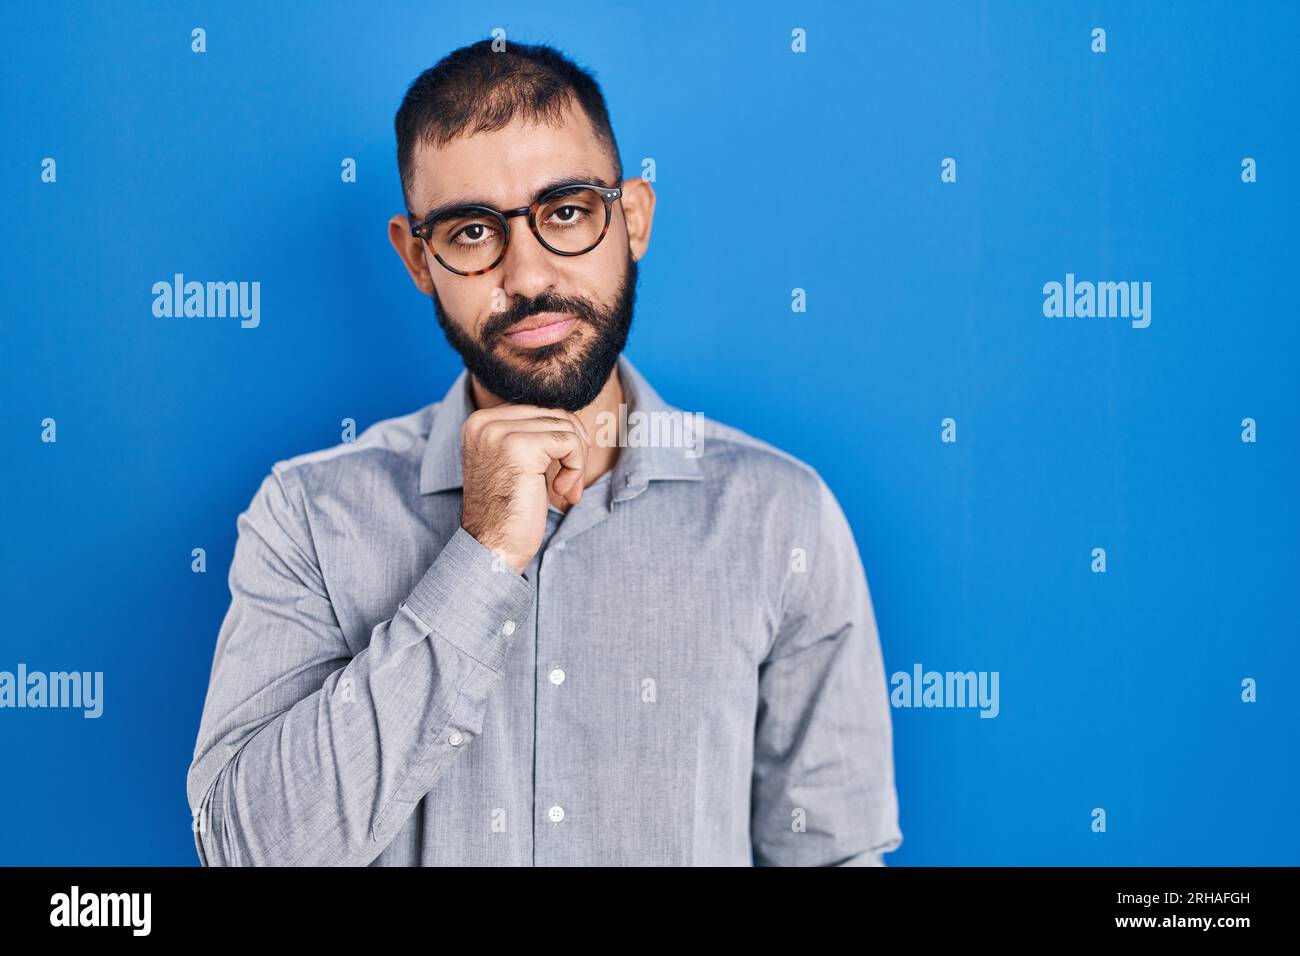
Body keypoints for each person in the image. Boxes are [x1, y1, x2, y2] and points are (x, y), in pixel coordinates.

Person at [186, 38, 902, 866]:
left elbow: (833, 854)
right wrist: (481, 557)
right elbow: (244, 851)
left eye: (565, 211)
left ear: (630, 219)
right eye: (470, 231)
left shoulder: (781, 514)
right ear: (419, 258)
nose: (526, 275)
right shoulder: (307, 516)